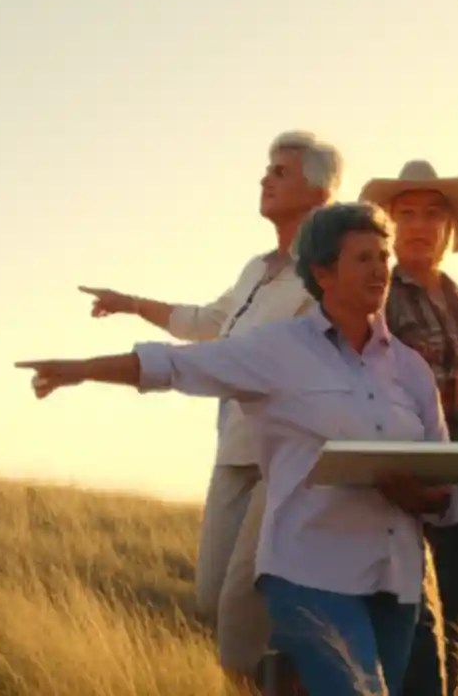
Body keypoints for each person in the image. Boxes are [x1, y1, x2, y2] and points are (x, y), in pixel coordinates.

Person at [18, 202, 458, 696]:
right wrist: (80, 369)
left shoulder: (411, 370)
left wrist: (422, 497)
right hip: (311, 571)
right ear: (322, 272)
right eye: (363, 258)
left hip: (394, 578)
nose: (381, 269)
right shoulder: (278, 350)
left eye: (383, 256)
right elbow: (174, 364)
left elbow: (440, 476)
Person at [75, 131, 339, 680]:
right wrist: (130, 304)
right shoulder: (256, 267)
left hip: (285, 457)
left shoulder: (323, 276)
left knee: (252, 604)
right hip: (233, 451)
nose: (265, 179)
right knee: (212, 596)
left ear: (319, 193)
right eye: (267, 169)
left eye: (280, 172)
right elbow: (210, 324)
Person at [359, 160, 458, 696]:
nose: (419, 225)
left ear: (450, 228)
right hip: (399, 459)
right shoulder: (374, 298)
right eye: (405, 213)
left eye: (433, 213)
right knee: (397, 602)